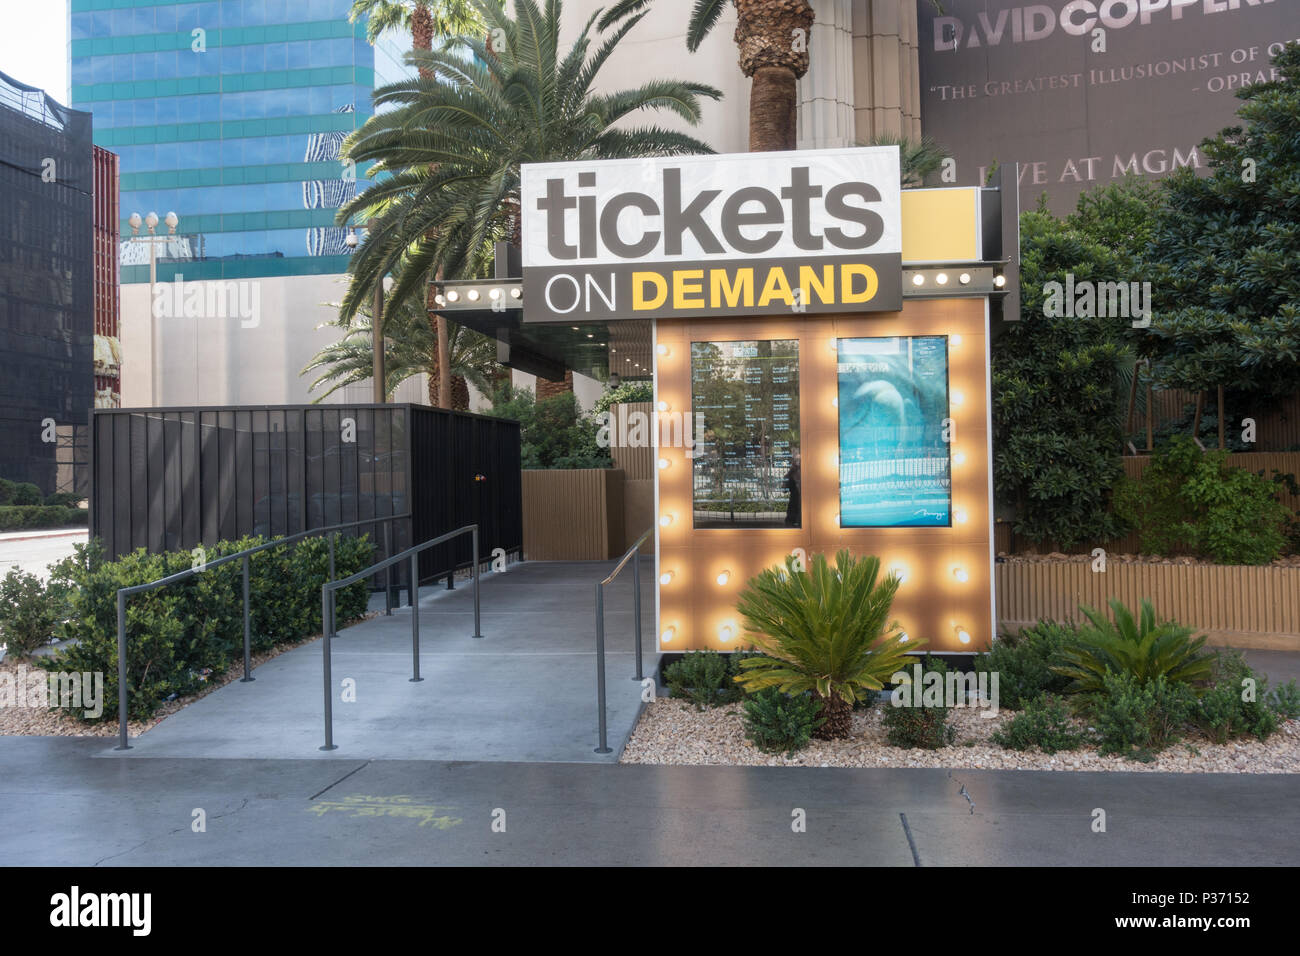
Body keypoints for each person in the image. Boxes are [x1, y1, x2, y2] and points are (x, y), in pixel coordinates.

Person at [784, 448, 801, 527]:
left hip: (801, 506)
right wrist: (790, 473)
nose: (798, 463)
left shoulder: (805, 473)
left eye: (799, 460)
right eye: (796, 461)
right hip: (794, 506)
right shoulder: (791, 473)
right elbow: (784, 489)